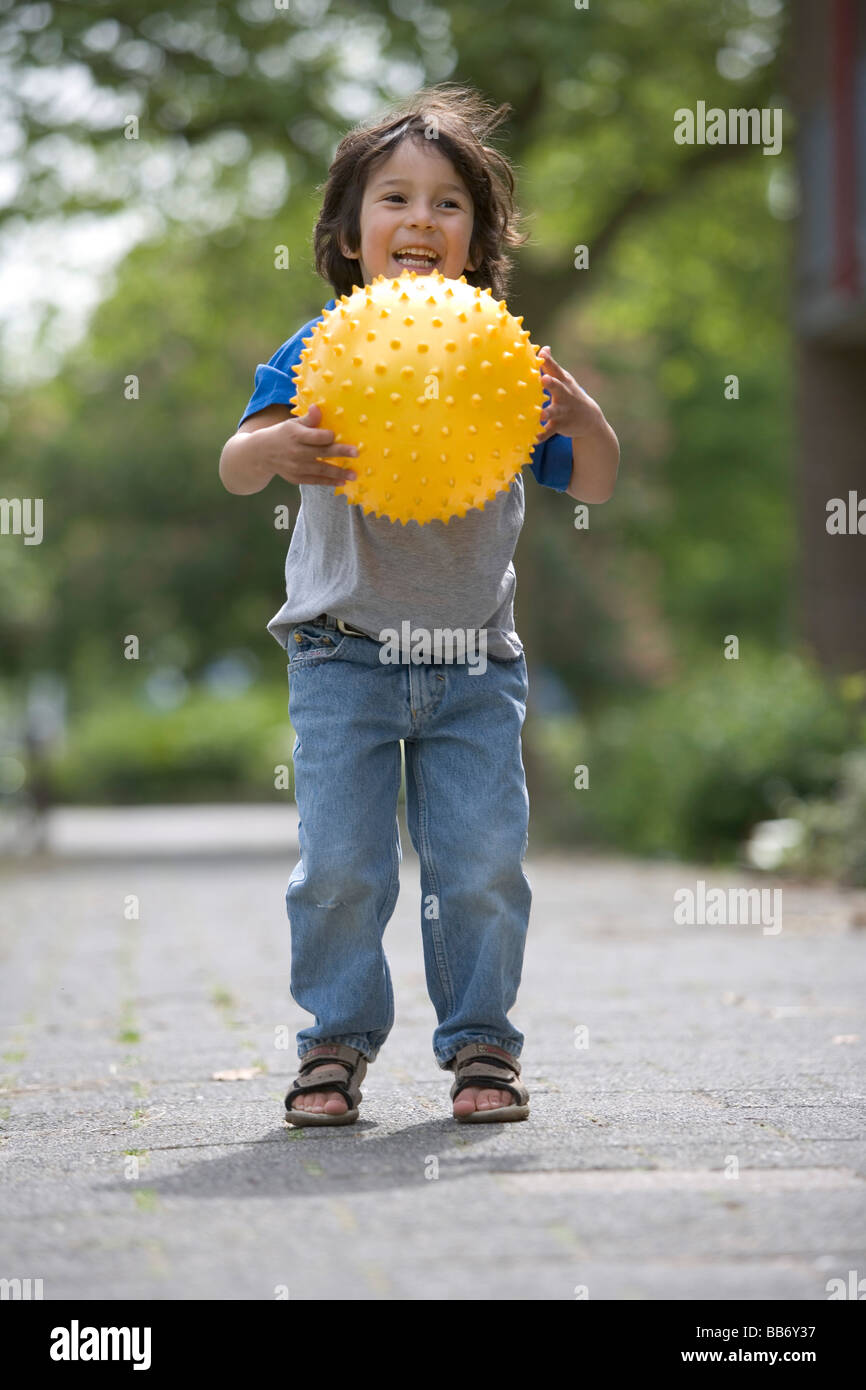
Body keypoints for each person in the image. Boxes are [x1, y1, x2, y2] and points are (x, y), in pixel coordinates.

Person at [218, 83, 619, 1127]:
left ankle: (482, 1042)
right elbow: (232, 466)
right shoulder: (317, 352)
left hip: (476, 663)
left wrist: (584, 416)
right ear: (349, 236)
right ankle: (334, 1043)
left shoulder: (504, 364)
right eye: (393, 199)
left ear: (477, 239)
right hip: (340, 656)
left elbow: (594, 480)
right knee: (342, 869)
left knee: (481, 865)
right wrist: (273, 446)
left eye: (448, 204)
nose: (420, 220)